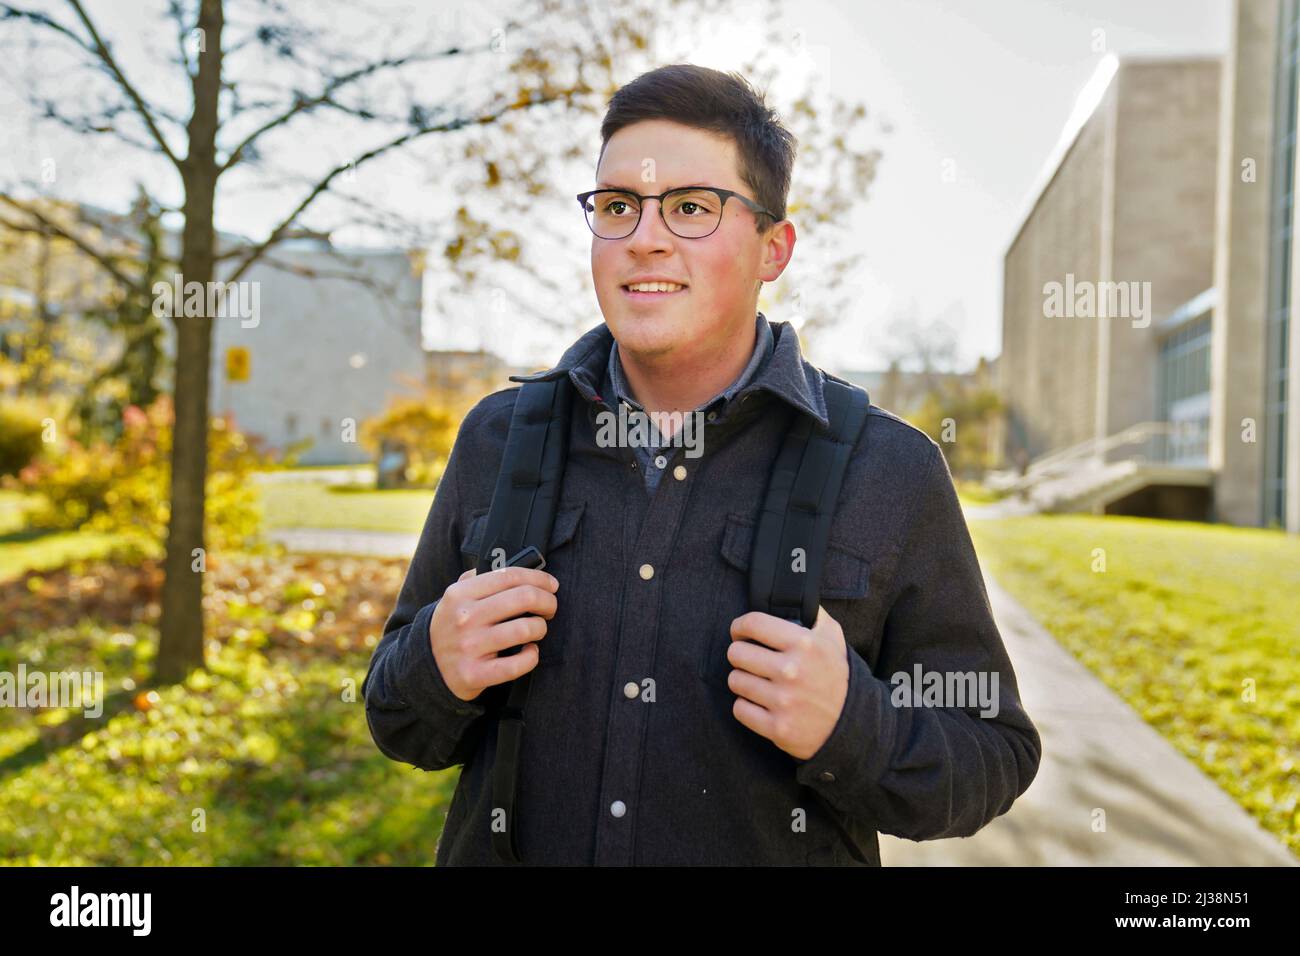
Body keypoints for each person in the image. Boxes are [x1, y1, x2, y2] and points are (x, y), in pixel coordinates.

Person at [361, 63, 1041, 865]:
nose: (644, 237)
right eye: (617, 207)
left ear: (772, 249)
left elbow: (992, 755)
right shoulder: (495, 439)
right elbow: (398, 720)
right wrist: (433, 664)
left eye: (690, 207)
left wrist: (854, 726)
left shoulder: (890, 470)